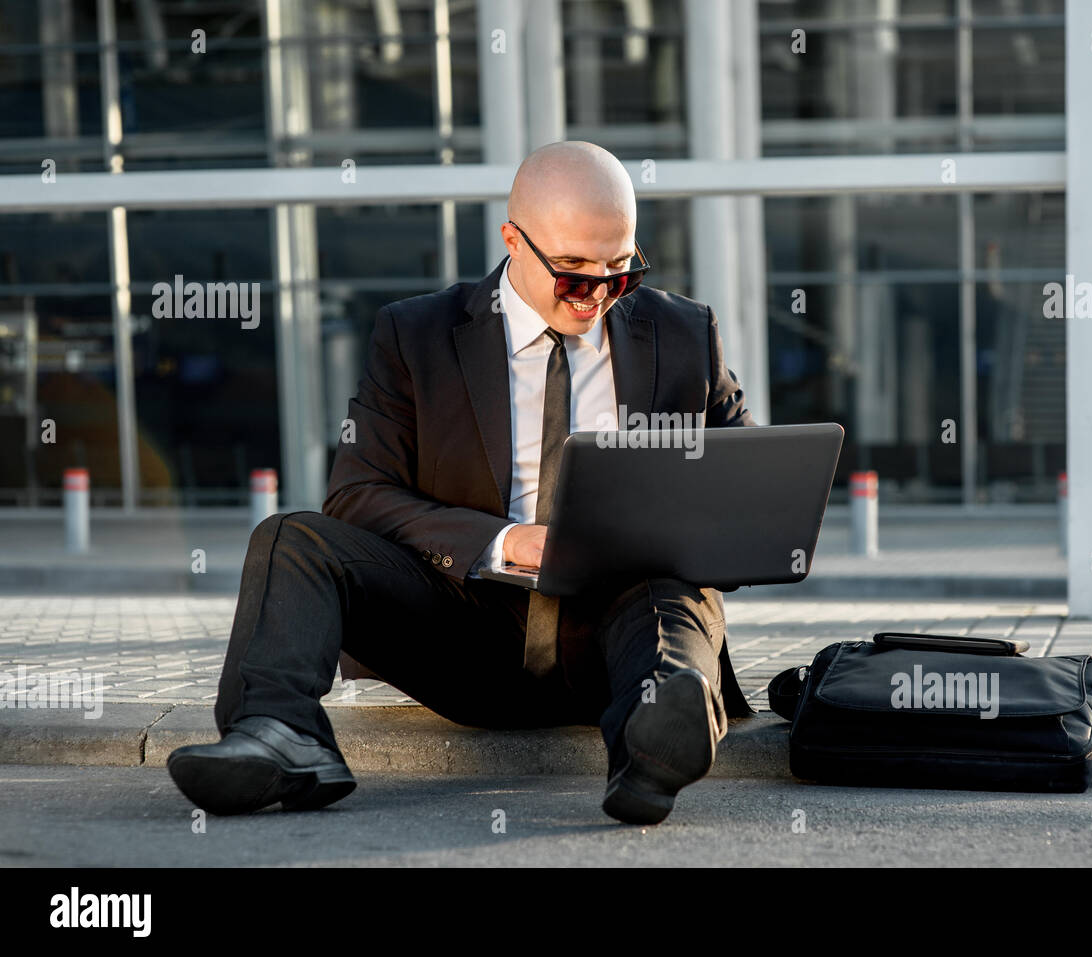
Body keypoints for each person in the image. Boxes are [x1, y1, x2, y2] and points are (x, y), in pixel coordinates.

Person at [166, 140, 757, 826]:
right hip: (465, 627)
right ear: (513, 239)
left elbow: (739, 488)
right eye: (572, 273)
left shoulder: (684, 332)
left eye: (619, 271)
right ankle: (278, 733)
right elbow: (359, 494)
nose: (597, 294)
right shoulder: (416, 336)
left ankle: (659, 737)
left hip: (621, 633)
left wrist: (666, 536)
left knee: (668, 602)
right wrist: (507, 541)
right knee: (291, 539)